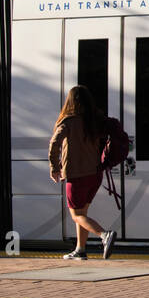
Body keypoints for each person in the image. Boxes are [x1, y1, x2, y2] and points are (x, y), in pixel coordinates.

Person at [48, 85, 116, 260]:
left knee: (76, 215)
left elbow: (54, 144)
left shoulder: (69, 122)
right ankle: (80, 249)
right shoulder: (95, 120)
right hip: (94, 174)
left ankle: (104, 235)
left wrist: (54, 167)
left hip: (76, 175)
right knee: (82, 213)